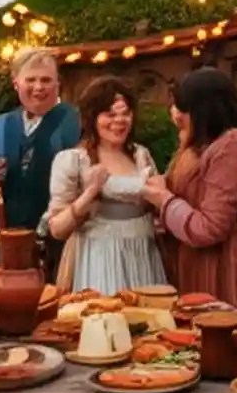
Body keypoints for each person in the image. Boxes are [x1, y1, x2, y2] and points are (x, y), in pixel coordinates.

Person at [141, 67, 237, 308]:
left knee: (228, 338)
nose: (174, 114)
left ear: (202, 110)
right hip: (199, 263)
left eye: (181, 108)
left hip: (230, 265)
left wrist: (164, 199)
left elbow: (211, 227)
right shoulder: (202, 144)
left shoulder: (232, 145)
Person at [47, 76, 167, 294]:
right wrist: (90, 192)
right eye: (110, 114)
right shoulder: (73, 160)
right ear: (92, 118)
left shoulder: (141, 155)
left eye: (125, 113)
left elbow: (158, 207)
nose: (119, 121)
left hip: (143, 255)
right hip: (99, 258)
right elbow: (56, 228)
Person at [0, 48, 80, 235]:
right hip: (10, 234)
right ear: (16, 83)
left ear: (58, 83)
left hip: (64, 233)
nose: (39, 87)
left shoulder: (76, 123)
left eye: (46, 80)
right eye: (31, 80)